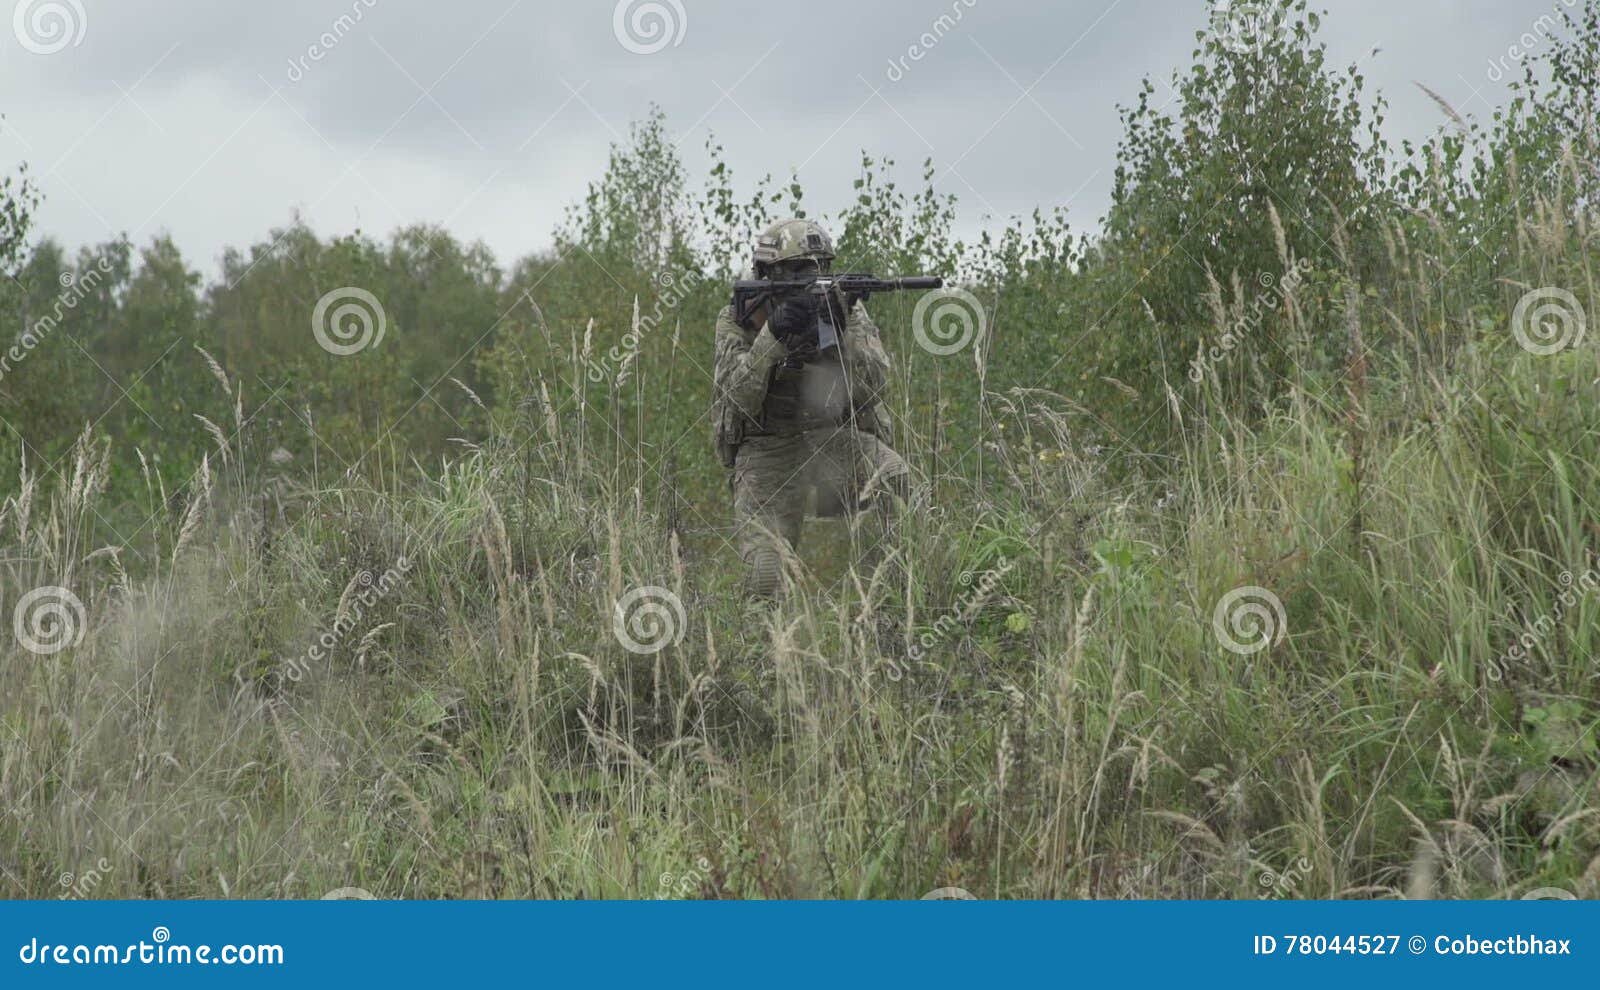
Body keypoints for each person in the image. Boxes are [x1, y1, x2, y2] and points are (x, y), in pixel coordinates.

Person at [711, 218, 909, 598]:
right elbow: (736, 399)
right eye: (803, 269)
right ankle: (764, 652)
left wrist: (842, 329)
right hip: (768, 447)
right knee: (765, 579)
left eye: (823, 267)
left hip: (829, 438)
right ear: (771, 272)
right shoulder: (741, 317)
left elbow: (873, 389)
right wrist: (773, 335)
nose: (817, 277)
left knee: (897, 480)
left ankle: (889, 606)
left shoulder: (845, 309)